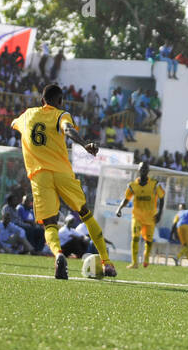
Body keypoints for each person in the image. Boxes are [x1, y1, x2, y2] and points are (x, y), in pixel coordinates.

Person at [9, 84, 114, 280]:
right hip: (62, 173)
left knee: (49, 224)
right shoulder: (61, 114)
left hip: (40, 175)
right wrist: (84, 144)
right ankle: (106, 262)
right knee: (85, 213)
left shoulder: (27, 115)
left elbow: (13, 123)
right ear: (60, 102)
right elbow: (67, 130)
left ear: (42, 101)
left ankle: (58, 255)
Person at [115, 161, 164, 269]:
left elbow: (162, 198)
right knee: (135, 238)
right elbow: (126, 199)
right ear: (138, 170)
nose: (143, 171)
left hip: (150, 217)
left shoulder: (155, 184)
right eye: (141, 168)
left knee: (149, 241)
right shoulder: (132, 185)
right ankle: (134, 262)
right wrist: (119, 208)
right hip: (137, 216)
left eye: (145, 169)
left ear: (148, 171)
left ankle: (146, 258)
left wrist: (160, 213)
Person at [171, 202, 188, 267]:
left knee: (186, 246)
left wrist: (173, 234)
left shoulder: (178, 213)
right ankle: (177, 257)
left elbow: (174, 224)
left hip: (179, 227)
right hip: (187, 227)